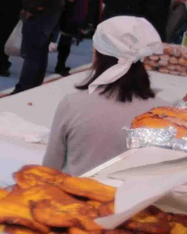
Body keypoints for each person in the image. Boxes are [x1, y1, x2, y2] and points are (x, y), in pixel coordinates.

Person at [42, 16, 162, 176]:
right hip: (131, 200)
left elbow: (49, 170)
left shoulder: (73, 104)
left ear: (96, 56)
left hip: (75, 198)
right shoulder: (163, 111)